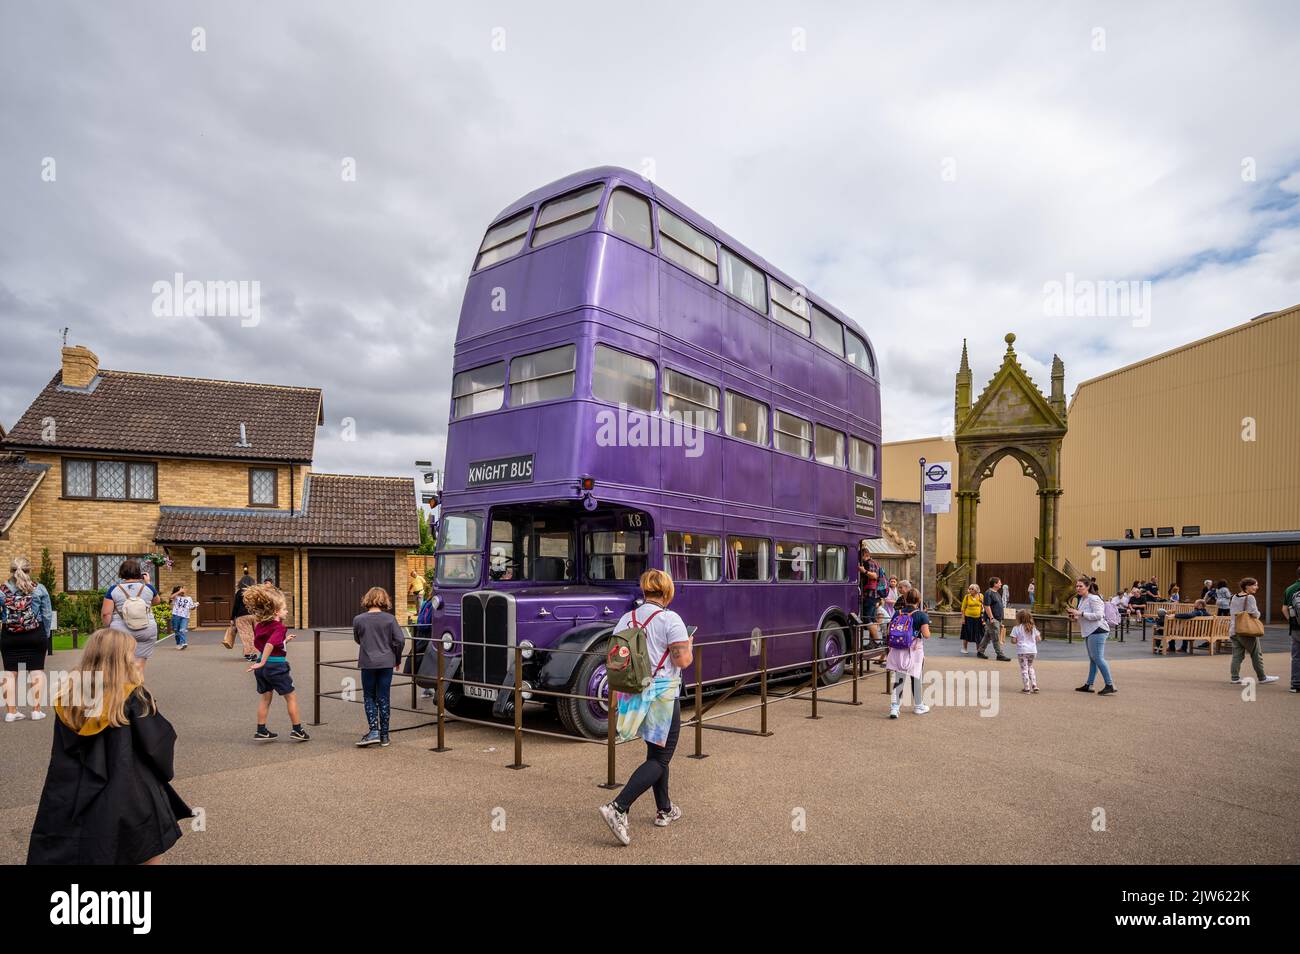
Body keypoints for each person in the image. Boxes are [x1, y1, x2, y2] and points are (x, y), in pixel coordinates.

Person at [27, 627, 192, 864]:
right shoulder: (133, 696)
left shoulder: (68, 694)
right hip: (128, 789)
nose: (135, 660)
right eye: (132, 655)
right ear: (121, 659)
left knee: (82, 849)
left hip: (73, 788)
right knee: (145, 850)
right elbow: (156, 745)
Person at [599, 569, 692, 846]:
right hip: (662, 694)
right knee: (661, 759)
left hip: (634, 692)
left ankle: (664, 809)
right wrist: (688, 644)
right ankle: (618, 807)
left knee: (656, 752)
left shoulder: (628, 618)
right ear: (667, 591)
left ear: (644, 590)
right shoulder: (670, 619)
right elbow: (683, 661)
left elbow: (617, 658)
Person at [243, 582, 310, 742]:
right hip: (275, 665)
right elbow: (270, 644)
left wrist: (284, 641)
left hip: (263, 667)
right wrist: (262, 661)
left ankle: (261, 730)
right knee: (291, 697)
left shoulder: (260, 625)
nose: (287, 611)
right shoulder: (279, 627)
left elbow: (269, 642)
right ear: (276, 611)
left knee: (265, 698)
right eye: (285, 609)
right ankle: (297, 730)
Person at [353, 587, 407, 747]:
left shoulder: (358, 619)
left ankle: (373, 731)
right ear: (385, 600)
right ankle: (384, 735)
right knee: (384, 697)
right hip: (387, 662)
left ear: (367, 599)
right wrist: (396, 658)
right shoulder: (390, 619)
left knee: (369, 696)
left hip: (367, 662)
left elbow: (357, 639)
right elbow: (400, 640)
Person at [2, 556, 53, 723]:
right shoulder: (39, 589)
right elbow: (46, 614)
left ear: (11, 571)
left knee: (10, 673)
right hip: (34, 634)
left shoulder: (2, 591)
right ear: (29, 571)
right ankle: (36, 711)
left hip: (9, 636)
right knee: (36, 670)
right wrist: (44, 635)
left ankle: (11, 712)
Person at [101, 559, 160, 675]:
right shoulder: (148, 588)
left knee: (121, 664)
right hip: (146, 629)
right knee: (139, 665)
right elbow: (157, 601)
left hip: (121, 631)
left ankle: (121, 690)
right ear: (139, 572)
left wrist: (107, 627)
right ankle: (136, 690)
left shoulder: (113, 590)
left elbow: (106, 614)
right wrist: (147, 582)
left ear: (121, 572)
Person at [886, 587, 930, 718]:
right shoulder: (921, 615)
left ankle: (895, 707)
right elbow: (926, 635)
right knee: (916, 676)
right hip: (914, 649)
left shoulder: (897, 613)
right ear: (919, 600)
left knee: (899, 677)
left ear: (905, 599)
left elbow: (889, 631)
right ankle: (918, 705)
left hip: (898, 648)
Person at [1227, 577, 1279, 686]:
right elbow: (1254, 613)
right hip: (1245, 630)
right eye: (1255, 585)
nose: (1257, 587)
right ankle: (1262, 677)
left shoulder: (1233, 597)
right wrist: (1258, 614)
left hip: (1233, 629)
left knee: (1237, 655)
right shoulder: (1250, 597)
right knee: (1256, 654)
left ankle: (1235, 677)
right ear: (1247, 586)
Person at [1069, 578, 1116, 695]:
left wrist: (1080, 613)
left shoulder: (1094, 598)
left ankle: (1110, 685)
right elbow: (1084, 616)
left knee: (1098, 658)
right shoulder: (1082, 600)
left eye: (1081, 586)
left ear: (1088, 587)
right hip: (1091, 631)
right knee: (1093, 659)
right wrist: (1075, 617)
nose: (1078, 588)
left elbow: (1099, 615)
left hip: (1098, 630)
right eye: (1077, 586)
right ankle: (1089, 685)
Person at [223, 573, 258, 662]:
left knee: (246, 635)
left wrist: (232, 618)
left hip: (242, 616)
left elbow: (236, 606)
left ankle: (248, 654)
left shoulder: (240, 592)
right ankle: (254, 654)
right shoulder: (255, 592)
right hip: (255, 616)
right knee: (254, 635)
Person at [977, 576, 1011, 661]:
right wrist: (991, 617)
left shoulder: (997, 593)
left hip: (998, 618)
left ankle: (980, 651)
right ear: (995, 584)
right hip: (992, 618)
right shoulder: (989, 593)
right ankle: (999, 654)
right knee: (995, 637)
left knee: (987, 636)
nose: (1001, 584)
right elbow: (987, 606)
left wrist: (1001, 619)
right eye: (999, 582)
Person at [1010, 608, 1042, 692]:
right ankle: (1034, 685)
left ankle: (1027, 687)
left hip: (1022, 651)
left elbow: (1013, 641)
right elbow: (1039, 639)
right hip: (1032, 650)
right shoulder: (1033, 627)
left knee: (1024, 669)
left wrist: (1017, 640)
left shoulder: (1016, 628)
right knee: (1030, 667)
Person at [1284, 566, 1300, 693]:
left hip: (1296, 627)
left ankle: (1295, 684)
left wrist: (1292, 621)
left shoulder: (1290, 589)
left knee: (1296, 656)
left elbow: (1284, 609)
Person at [169, 584, 197, 651]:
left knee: (182, 630)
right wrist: (178, 592)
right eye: (181, 589)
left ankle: (183, 643)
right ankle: (178, 643)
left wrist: (195, 606)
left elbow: (191, 607)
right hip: (176, 615)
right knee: (176, 630)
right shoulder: (176, 597)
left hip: (185, 617)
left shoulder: (189, 598)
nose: (182, 591)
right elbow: (170, 597)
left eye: (183, 589)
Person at [959, 583, 983, 655]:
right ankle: (964, 648)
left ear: (976, 590)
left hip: (978, 618)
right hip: (968, 617)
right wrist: (963, 619)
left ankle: (978, 649)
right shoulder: (967, 597)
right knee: (966, 633)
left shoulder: (981, 596)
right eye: (969, 589)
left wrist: (982, 601)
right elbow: (963, 608)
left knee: (978, 634)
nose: (970, 590)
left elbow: (984, 605)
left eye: (972, 589)